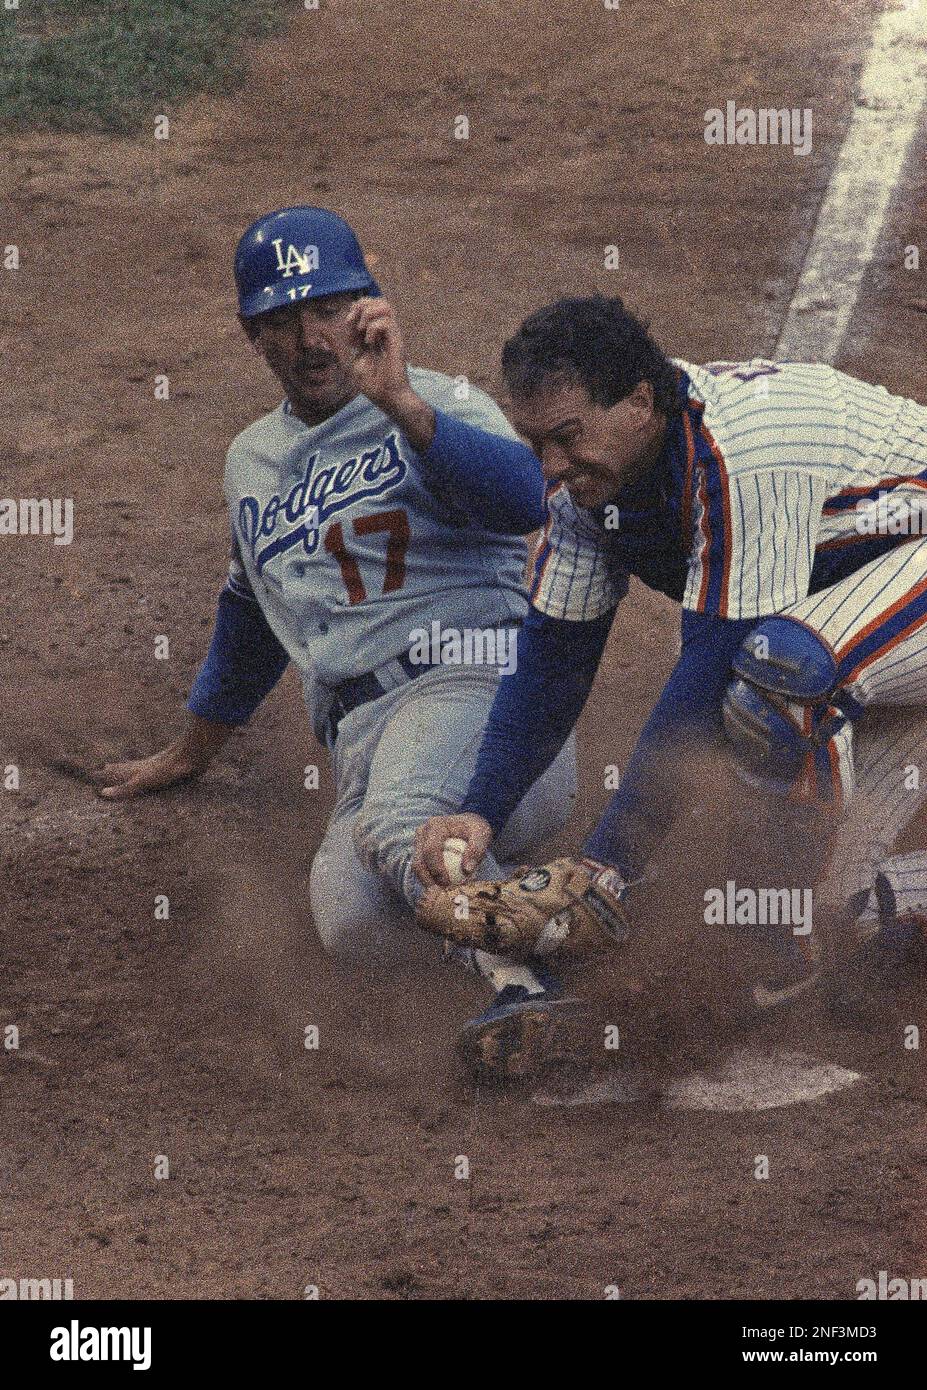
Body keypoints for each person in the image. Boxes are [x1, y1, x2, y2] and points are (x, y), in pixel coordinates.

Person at [94, 206, 577, 1084]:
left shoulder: (441, 403)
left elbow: (526, 502)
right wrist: (188, 750)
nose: (309, 336)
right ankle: (581, 913)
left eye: (325, 307)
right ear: (251, 335)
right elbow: (251, 615)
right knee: (351, 920)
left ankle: (520, 985)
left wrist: (398, 401)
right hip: (366, 739)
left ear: (368, 304)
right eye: (280, 319)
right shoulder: (251, 458)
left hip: (479, 690)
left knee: (397, 827)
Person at [414, 295, 927, 1021]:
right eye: (536, 446)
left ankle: (780, 957)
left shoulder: (746, 450)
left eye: (566, 437)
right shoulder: (589, 491)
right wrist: (481, 810)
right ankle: (800, 924)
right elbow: (553, 659)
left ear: (638, 401)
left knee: (775, 681)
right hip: (890, 639)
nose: (552, 470)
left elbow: (711, 672)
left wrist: (607, 864)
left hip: (890, 614)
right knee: (833, 902)